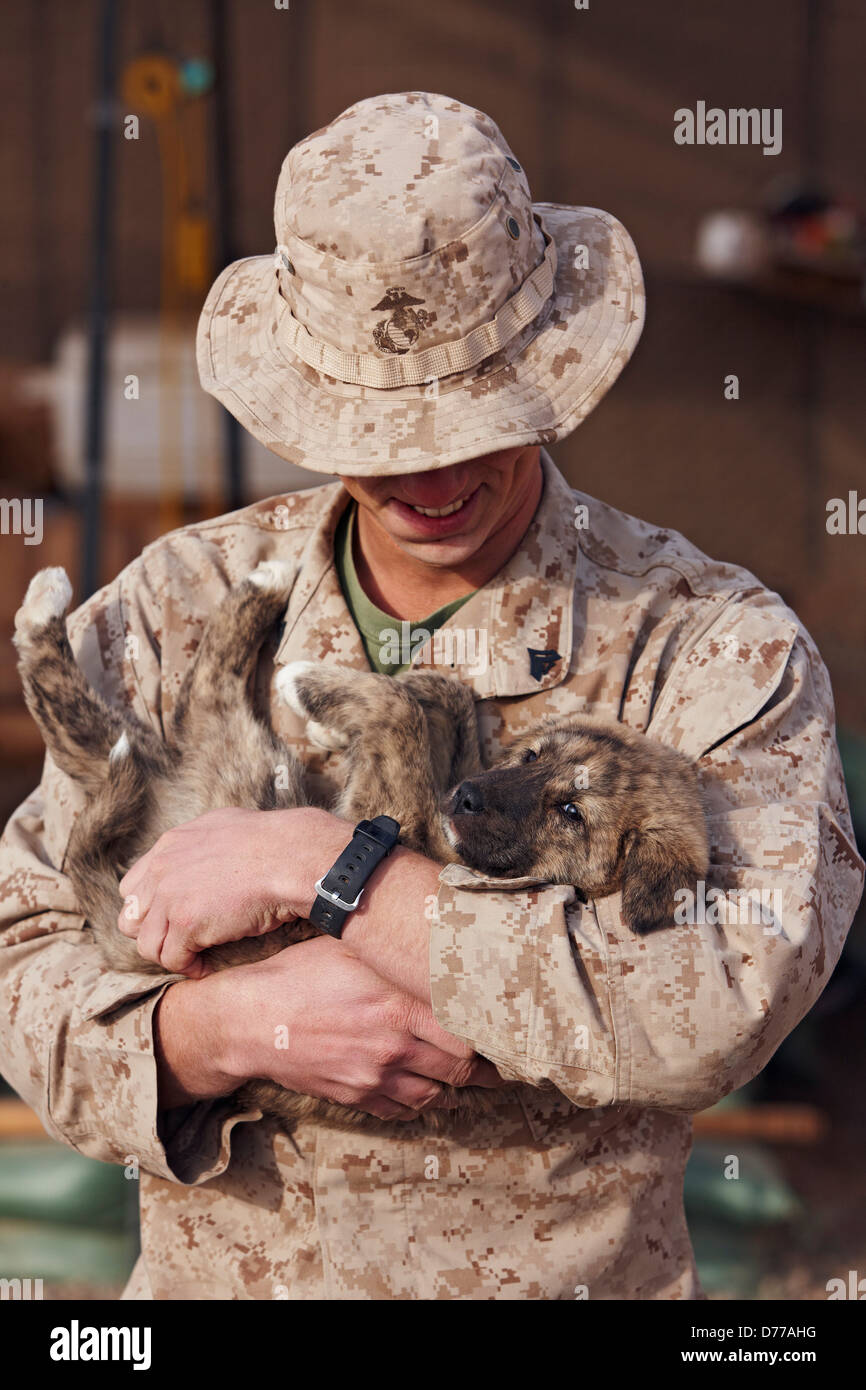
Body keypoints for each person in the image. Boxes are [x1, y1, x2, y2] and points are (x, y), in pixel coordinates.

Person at [0, 92, 861, 1301]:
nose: (427, 473)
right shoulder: (176, 608)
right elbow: (24, 959)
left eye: (470, 414)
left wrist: (337, 873)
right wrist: (220, 1031)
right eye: (378, 430)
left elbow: (716, 1005)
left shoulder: (708, 646)